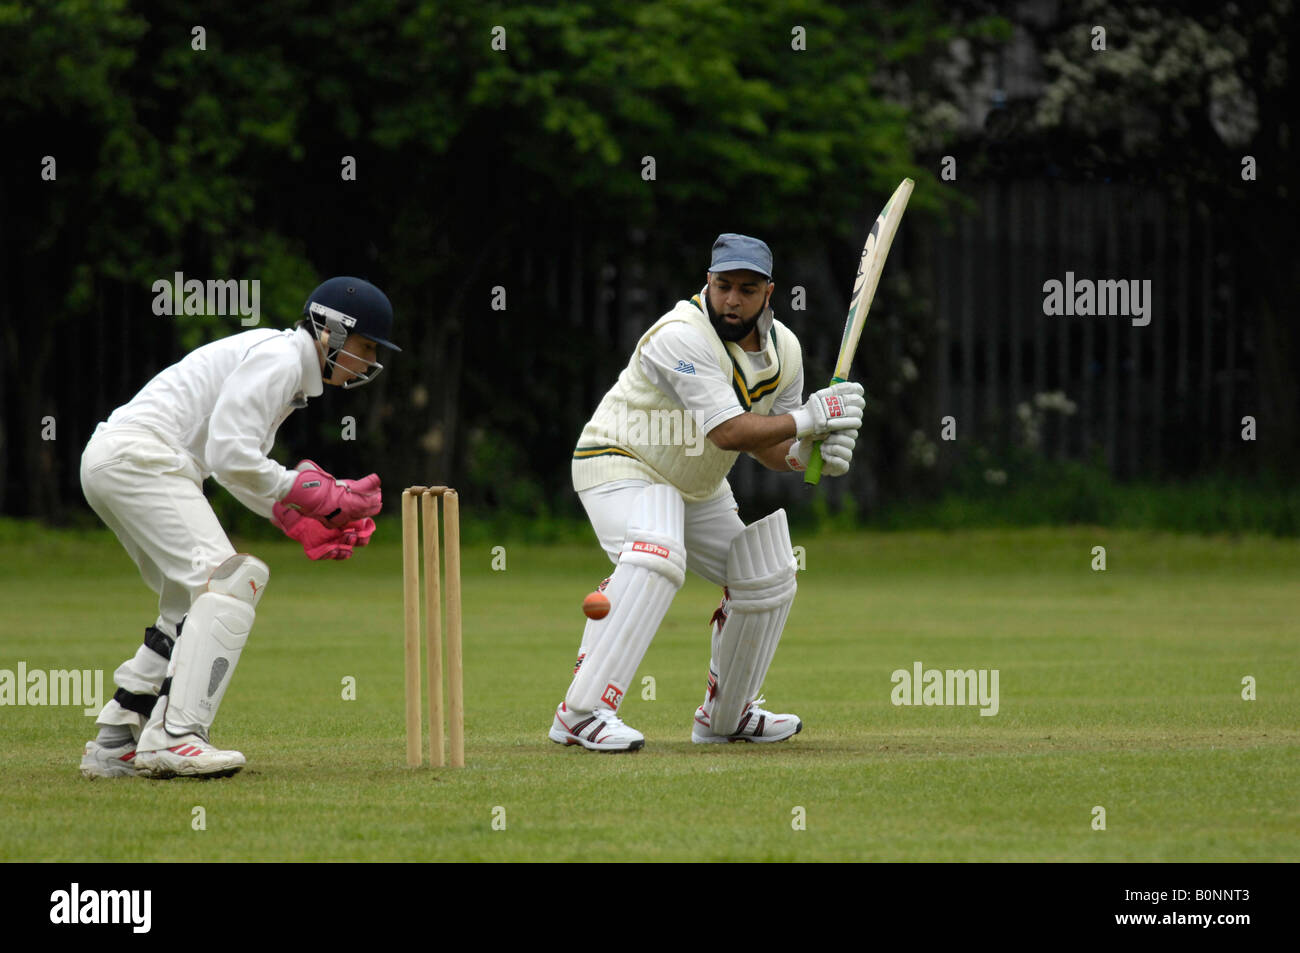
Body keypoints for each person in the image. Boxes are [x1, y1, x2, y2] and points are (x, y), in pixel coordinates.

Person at [551, 234, 864, 751]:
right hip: (618, 461)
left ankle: (727, 716)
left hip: (696, 486)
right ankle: (582, 713)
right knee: (656, 550)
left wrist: (812, 457)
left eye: (747, 289)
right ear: (708, 282)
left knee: (766, 573)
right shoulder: (681, 334)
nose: (732, 301)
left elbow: (768, 446)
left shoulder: (784, 349)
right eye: (723, 287)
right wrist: (812, 417)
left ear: (769, 292)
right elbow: (729, 433)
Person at [78, 277, 398, 779]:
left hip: (121, 460)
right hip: (142, 460)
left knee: (189, 600)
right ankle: (175, 737)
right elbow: (230, 456)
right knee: (231, 580)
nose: (370, 361)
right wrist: (319, 494)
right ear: (330, 331)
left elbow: (231, 461)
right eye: (365, 346)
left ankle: (118, 737)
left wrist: (294, 516)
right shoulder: (282, 358)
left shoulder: (283, 365)